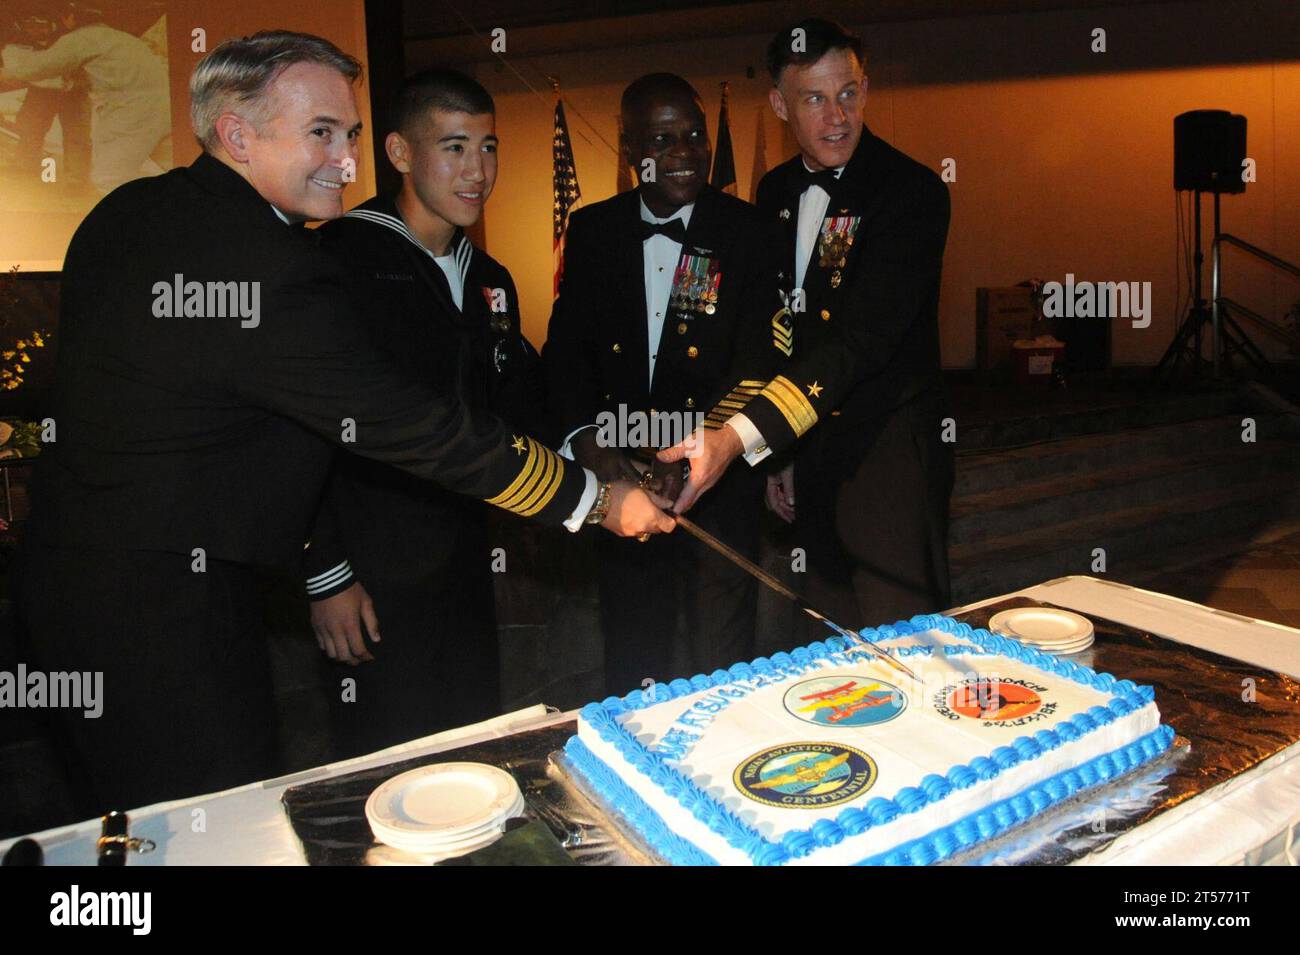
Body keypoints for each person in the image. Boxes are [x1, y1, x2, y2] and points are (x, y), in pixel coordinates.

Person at [16, 31, 672, 814]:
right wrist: (592, 500)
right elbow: (407, 424)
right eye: (321, 134)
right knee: (211, 820)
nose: (347, 161)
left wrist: (587, 448)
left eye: (351, 134)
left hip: (73, 586)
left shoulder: (125, 213)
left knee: (121, 823)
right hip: (166, 612)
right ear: (236, 133)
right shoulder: (283, 264)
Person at [660, 17, 953, 633]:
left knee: (901, 635)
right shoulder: (774, 192)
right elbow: (776, 332)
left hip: (888, 454)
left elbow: (859, 343)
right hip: (807, 442)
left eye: (848, 93)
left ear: (866, 89)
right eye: (814, 99)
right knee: (826, 629)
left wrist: (741, 437)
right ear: (779, 105)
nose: (837, 116)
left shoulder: (912, 193)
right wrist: (779, 453)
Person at [303, 69, 547, 757]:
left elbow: (517, 408)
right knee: (385, 765)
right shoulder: (339, 262)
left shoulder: (490, 279)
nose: (478, 171)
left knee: (473, 752)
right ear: (400, 153)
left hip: (466, 564)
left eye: (489, 147)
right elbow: (302, 436)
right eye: (456, 147)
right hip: (370, 576)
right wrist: (325, 574)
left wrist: (596, 453)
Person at [544, 73, 784, 691]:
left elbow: (760, 360)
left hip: (718, 475)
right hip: (623, 479)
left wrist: (699, 447)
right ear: (631, 152)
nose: (684, 152)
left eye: (695, 136)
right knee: (633, 655)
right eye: (663, 139)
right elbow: (567, 355)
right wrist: (593, 449)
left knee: (724, 662)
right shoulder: (594, 231)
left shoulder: (747, 232)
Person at [0, 2, 169, 195]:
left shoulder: (80, 39)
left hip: (126, 105)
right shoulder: (119, 38)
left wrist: (5, 74)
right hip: (159, 104)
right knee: (160, 164)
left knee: (107, 175)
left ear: (70, 18)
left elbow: (39, 66)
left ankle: (85, 186)